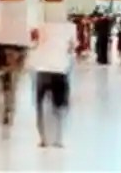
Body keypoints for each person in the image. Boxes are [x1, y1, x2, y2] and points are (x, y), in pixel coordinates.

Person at [31, 10, 75, 148]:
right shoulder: (70, 27)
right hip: (60, 69)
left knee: (39, 105)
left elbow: (33, 42)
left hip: (42, 69)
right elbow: (72, 47)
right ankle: (59, 138)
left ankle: (43, 139)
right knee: (61, 106)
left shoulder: (40, 25)